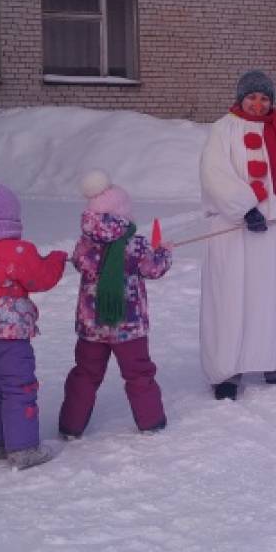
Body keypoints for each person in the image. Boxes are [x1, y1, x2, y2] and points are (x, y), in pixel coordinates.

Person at [199, 70, 276, 400]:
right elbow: (214, 173)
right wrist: (243, 208)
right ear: (241, 98)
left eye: (265, 98)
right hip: (235, 230)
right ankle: (228, 371)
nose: (258, 103)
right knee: (233, 298)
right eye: (252, 97)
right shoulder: (224, 129)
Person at [0, 174, 67, 469]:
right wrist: (55, 260)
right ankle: (23, 449)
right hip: (9, 333)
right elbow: (39, 278)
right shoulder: (20, 250)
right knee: (19, 387)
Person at [58, 171, 171, 437]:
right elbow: (154, 269)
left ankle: (71, 426)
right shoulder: (136, 245)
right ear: (123, 212)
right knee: (139, 373)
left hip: (92, 326)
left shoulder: (85, 244)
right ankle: (151, 422)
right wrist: (164, 252)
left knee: (84, 374)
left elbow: (78, 262)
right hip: (128, 327)